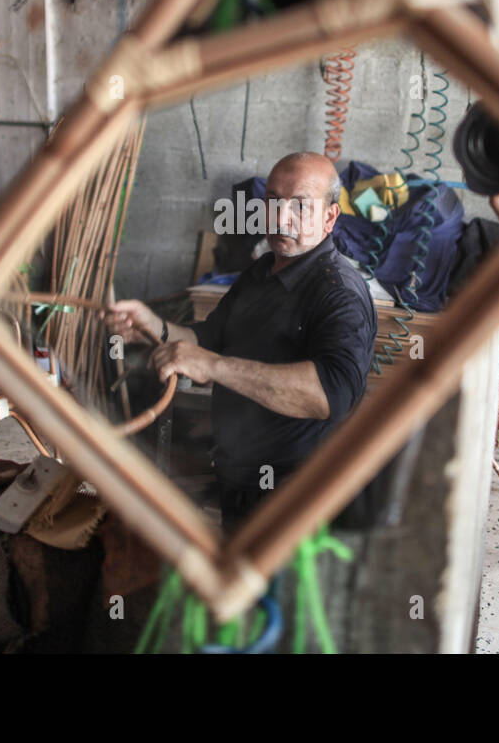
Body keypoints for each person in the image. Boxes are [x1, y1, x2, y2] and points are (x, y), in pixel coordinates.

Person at [101, 152, 377, 531]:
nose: (281, 218)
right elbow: (209, 339)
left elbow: (330, 395)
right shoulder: (263, 270)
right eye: (275, 201)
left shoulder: (339, 292)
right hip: (241, 477)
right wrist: (154, 327)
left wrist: (212, 366)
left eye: (300, 205)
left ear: (330, 217)